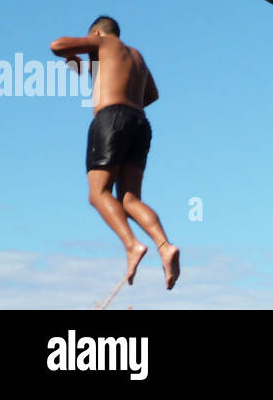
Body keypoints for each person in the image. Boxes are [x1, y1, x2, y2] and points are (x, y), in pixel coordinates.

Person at [50, 16, 180, 290]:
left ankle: (132, 246)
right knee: (129, 199)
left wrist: (75, 51)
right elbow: (152, 95)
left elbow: (57, 45)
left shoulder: (103, 41)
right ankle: (165, 246)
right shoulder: (136, 56)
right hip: (140, 123)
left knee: (97, 193)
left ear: (97, 33)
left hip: (111, 119)